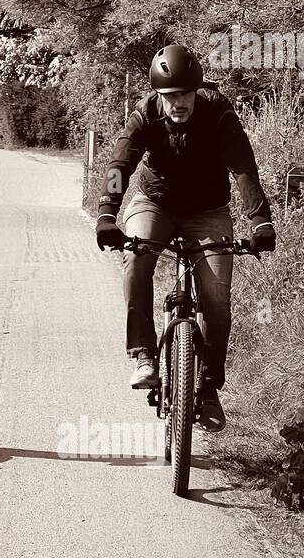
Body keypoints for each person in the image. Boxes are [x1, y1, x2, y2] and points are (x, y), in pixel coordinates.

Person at [95, 43, 276, 431]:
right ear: (159, 96)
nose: (178, 103)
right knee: (136, 260)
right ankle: (144, 355)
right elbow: (119, 164)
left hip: (208, 212)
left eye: (185, 95)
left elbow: (243, 167)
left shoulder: (218, 113)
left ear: (198, 90)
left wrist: (260, 221)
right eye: (170, 96)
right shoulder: (144, 115)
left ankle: (208, 390)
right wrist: (108, 213)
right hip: (154, 202)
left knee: (215, 298)